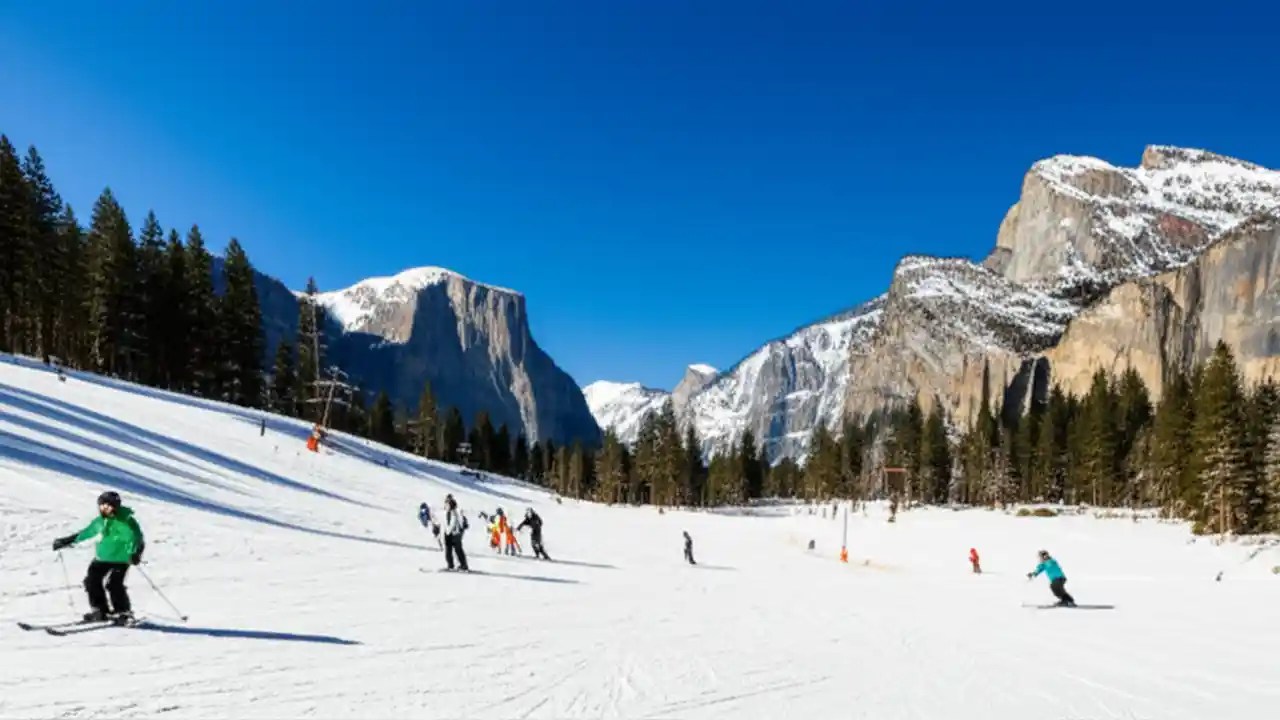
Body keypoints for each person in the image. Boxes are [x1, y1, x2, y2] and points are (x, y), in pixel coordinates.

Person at [51, 491, 145, 623]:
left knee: (114, 584)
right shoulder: (101, 521)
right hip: (102, 557)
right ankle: (100, 611)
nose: (104, 509)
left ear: (115, 506)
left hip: (121, 559)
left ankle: (123, 612)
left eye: (108, 506)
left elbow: (137, 538)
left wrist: (136, 553)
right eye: (101, 506)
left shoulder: (127, 522)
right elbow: (87, 532)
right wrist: (67, 540)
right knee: (91, 581)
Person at [443, 494, 469, 571]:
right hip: (455, 533)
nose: (446, 505)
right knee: (456, 550)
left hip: (454, 533)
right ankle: (460, 565)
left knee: (453, 550)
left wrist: (447, 532)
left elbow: (453, 523)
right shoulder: (452, 511)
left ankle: (455, 565)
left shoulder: (453, 512)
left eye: (447, 503)